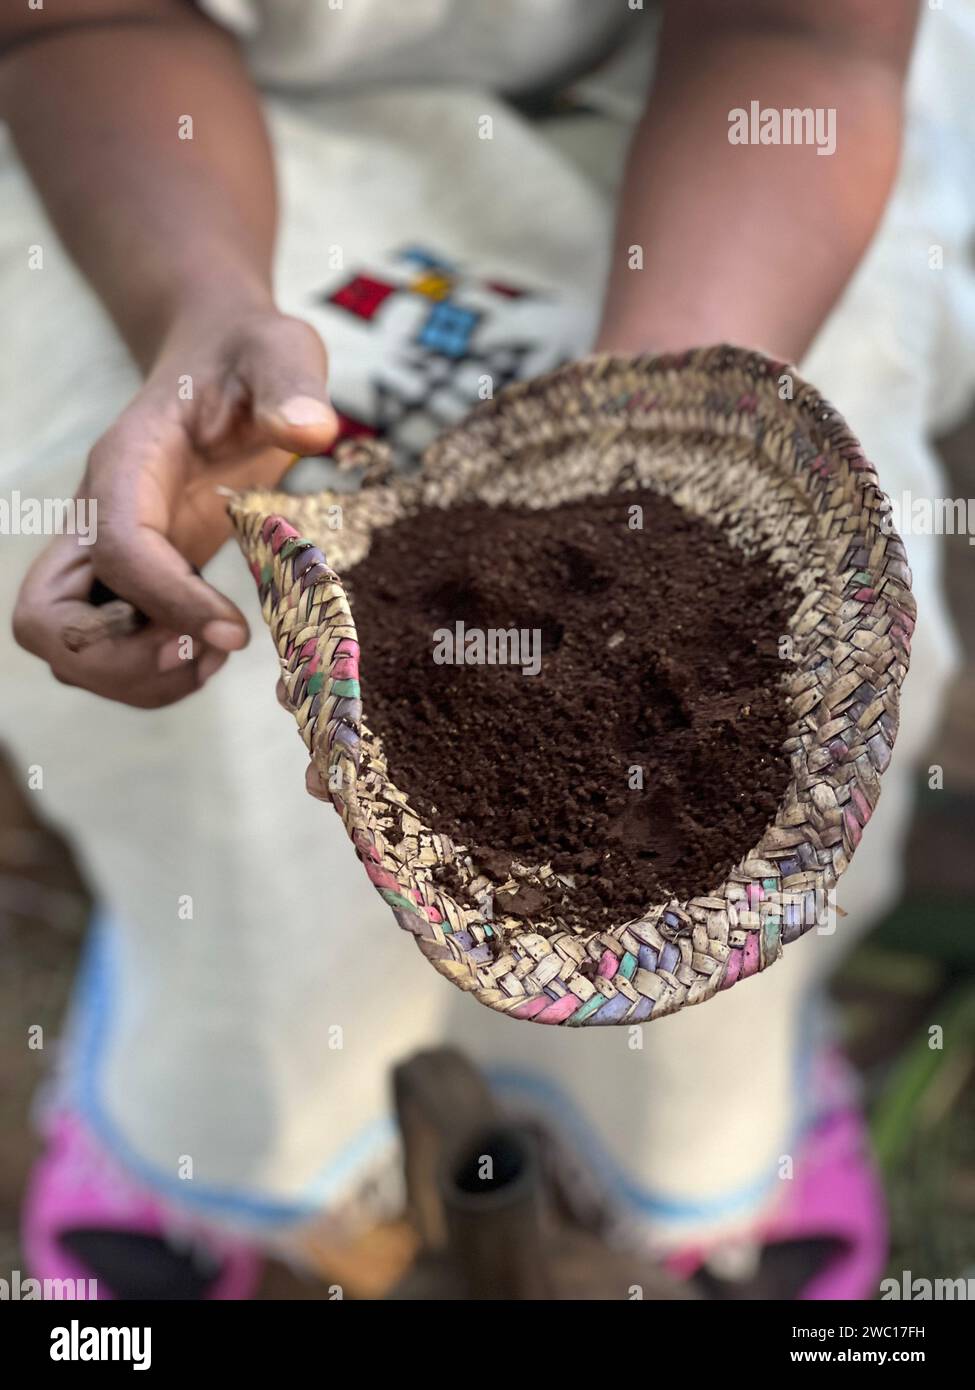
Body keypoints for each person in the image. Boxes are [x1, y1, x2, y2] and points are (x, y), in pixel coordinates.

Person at [2, 0, 972, 1298]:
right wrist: (194, 311)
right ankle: (221, 1111)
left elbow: (804, 37)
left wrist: (660, 414)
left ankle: (702, 1134)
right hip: (190, 148)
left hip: (719, 142)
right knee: (147, 532)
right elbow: (69, 24)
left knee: (804, 636)